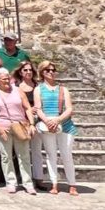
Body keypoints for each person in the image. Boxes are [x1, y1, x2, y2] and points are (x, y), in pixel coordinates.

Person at [0, 67, 37, 194]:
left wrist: (31, 123)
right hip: (3, 127)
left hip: (20, 125)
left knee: (23, 154)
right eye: (4, 79)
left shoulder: (18, 90)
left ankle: (28, 183)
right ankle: (11, 182)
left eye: (8, 77)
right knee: (6, 156)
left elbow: (27, 108)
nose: (7, 80)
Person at [33, 61, 78, 196]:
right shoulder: (38, 89)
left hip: (64, 124)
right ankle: (54, 184)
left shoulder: (63, 89)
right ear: (42, 73)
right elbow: (38, 108)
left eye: (53, 70)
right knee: (51, 154)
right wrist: (47, 121)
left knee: (66, 154)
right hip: (47, 124)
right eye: (47, 70)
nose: (51, 72)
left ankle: (72, 184)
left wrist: (58, 120)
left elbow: (69, 108)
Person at [14, 61, 45, 188]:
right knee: (22, 151)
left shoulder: (38, 86)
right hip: (22, 121)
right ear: (20, 72)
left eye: (30, 70)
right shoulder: (16, 87)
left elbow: (42, 102)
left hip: (36, 121)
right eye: (25, 70)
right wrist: (27, 109)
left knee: (37, 150)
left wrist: (35, 109)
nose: (28, 72)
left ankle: (38, 178)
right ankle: (24, 178)